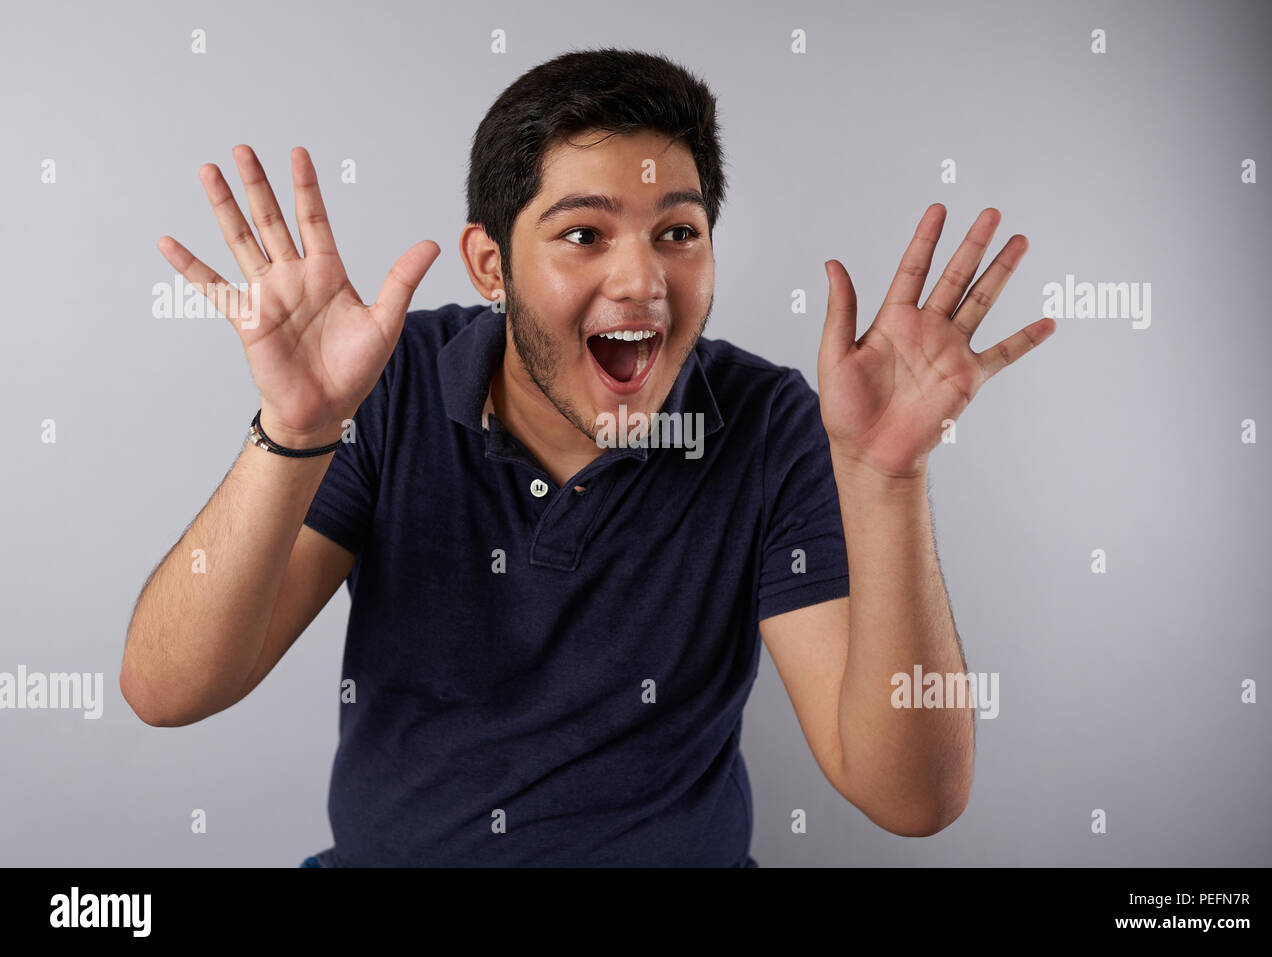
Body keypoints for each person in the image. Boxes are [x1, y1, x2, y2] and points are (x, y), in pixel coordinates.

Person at [122, 47, 1052, 867]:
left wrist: (887, 478)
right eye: (584, 234)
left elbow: (912, 801)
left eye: (677, 233)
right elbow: (166, 692)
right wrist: (297, 426)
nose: (642, 279)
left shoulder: (770, 423)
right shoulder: (391, 383)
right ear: (491, 266)